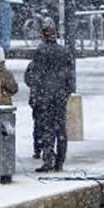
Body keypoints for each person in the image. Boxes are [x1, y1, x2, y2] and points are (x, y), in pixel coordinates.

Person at [25, 22, 75, 171]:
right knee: (60, 128)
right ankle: (60, 161)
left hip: (45, 96)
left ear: (43, 36)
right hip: (59, 96)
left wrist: (36, 92)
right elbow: (70, 76)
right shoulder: (64, 52)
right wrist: (66, 91)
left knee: (47, 128)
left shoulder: (40, 52)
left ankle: (48, 160)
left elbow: (34, 76)